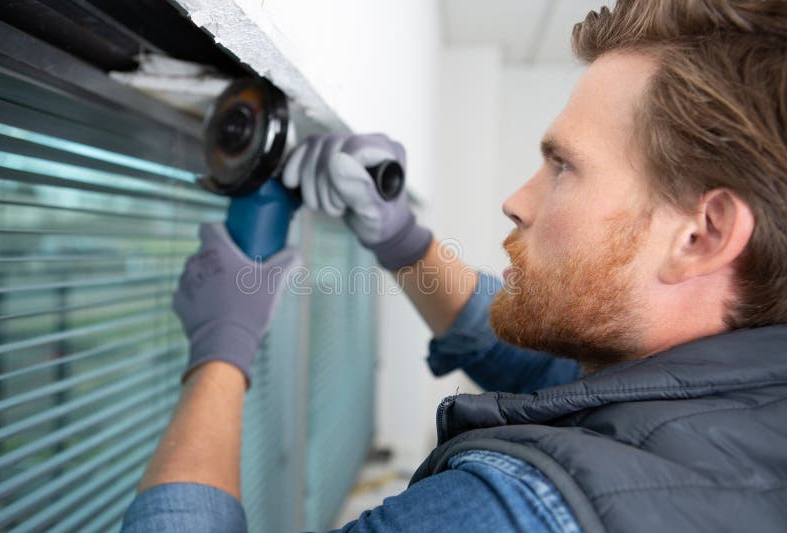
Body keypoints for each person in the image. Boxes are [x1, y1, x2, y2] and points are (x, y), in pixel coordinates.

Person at [121, 1, 787, 531]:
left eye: (562, 166)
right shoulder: (742, 401)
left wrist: (220, 349)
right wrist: (400, 238)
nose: (516, 200)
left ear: (702, 233)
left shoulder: (508, 514)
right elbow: (532, 364)